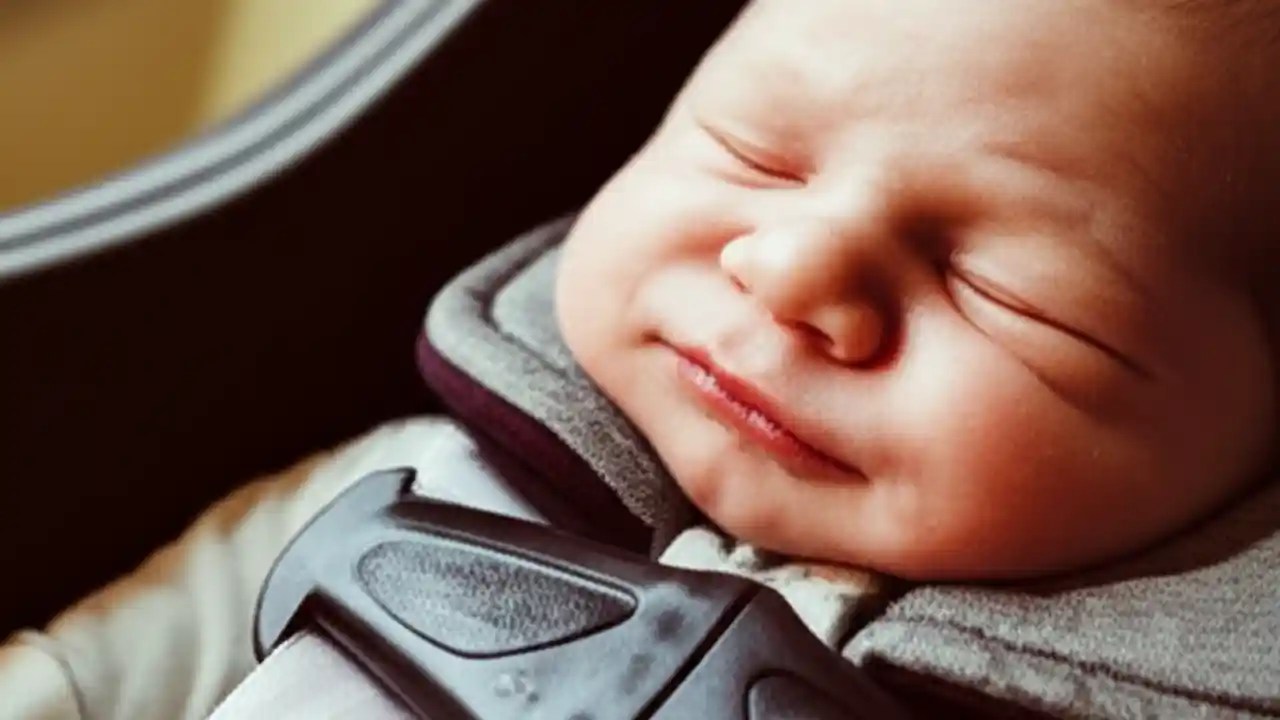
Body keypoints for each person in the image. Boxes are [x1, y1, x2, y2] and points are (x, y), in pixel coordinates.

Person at [3, 0, 1276, 717]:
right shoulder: (416, 493)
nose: (788, 270)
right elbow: (83, 680)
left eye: (1003, 291)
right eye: (751, 153)